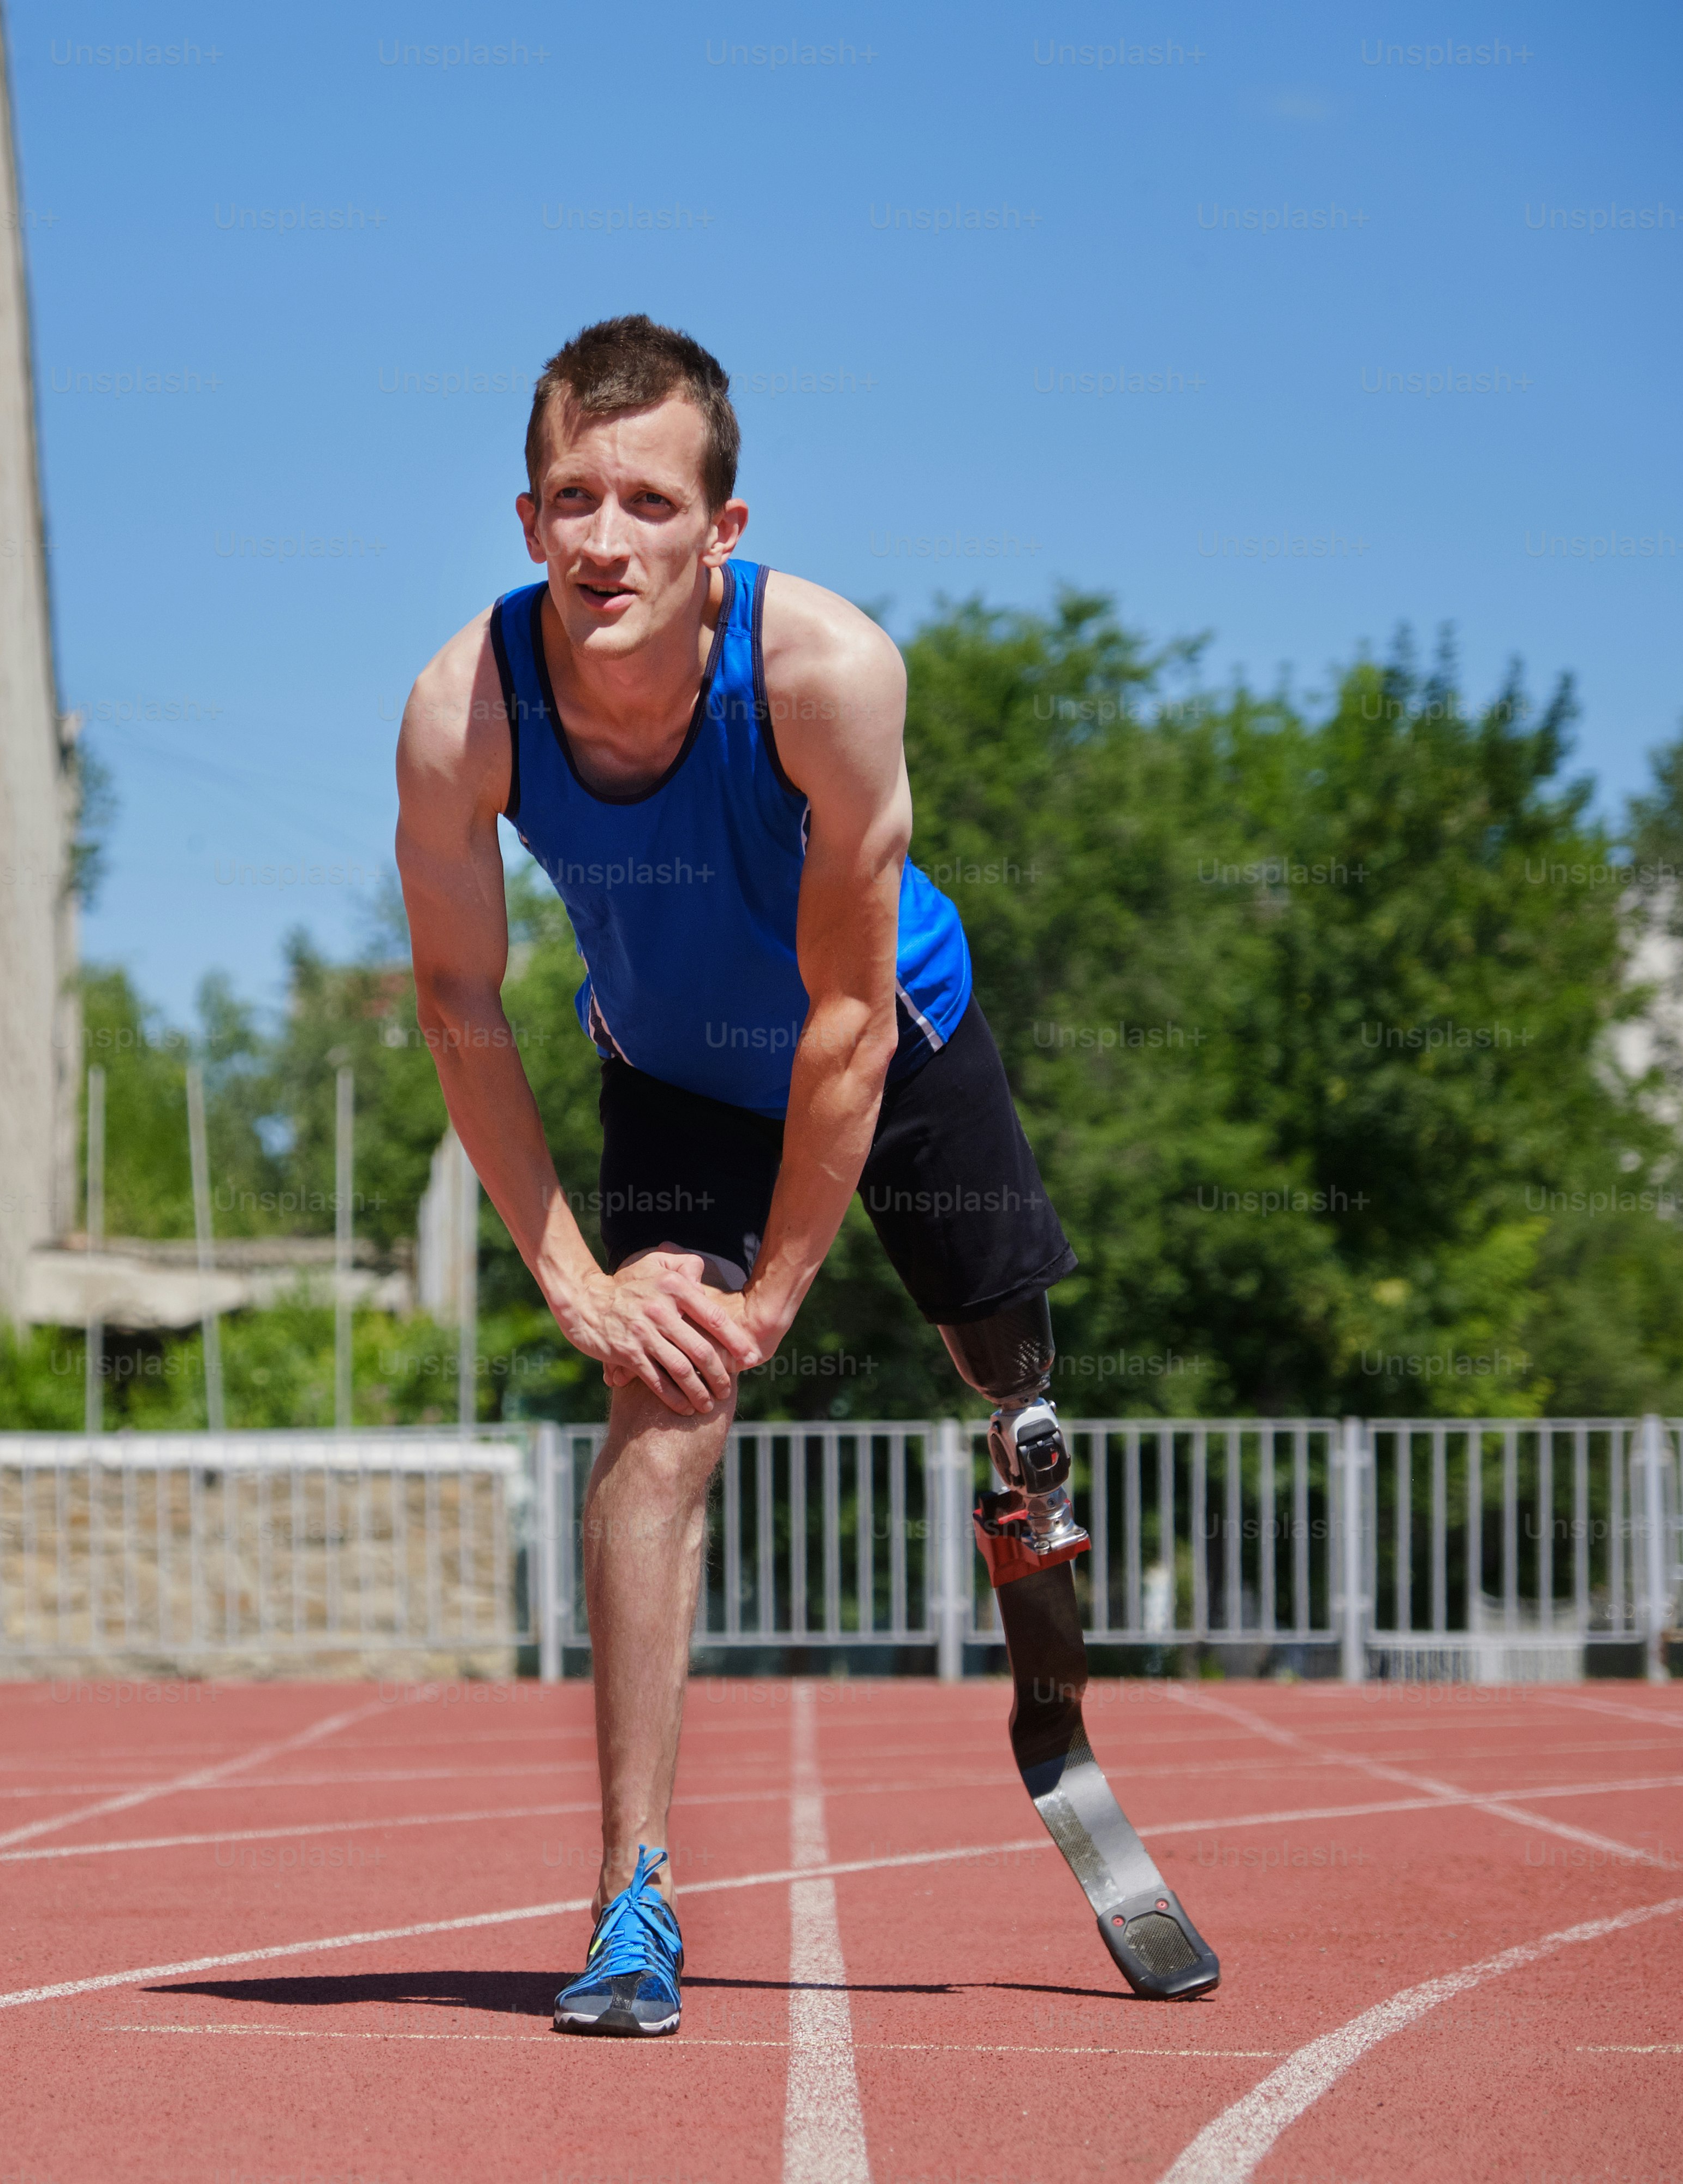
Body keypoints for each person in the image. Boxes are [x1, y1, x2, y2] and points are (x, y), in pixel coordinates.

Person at [390, 315, 1217, 2037]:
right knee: (655, 1412)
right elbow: (462, 1006)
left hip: (894, 1047)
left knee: (1013, 1382)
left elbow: (845, 1020)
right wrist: (576, 1279)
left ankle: (1054, 1711)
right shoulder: (466, 707)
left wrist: (776, 1297)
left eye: (648, 500)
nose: (605, 539)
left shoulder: (826, 674)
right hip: (674, 1073)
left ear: (725, 529)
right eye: (569, 499)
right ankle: (633, 1897)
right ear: (526, 516)